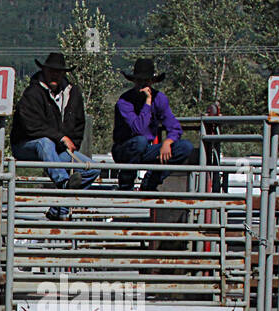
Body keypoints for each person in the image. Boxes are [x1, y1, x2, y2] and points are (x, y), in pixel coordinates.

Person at [10, 52, 101, 221]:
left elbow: (79, 124)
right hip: (26, 146)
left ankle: (59, 206)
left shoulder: (72, 94)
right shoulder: (32, 93)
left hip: (58, 149)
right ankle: (63, 183)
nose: (55, 74)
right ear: (44, 71)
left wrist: (73, 145)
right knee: (44, 143)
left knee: (93, 169)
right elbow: (31, 126)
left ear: (64, 73)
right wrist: (60, 138)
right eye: (52, 70)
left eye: (59, 71)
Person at [112, 58, 196, 192]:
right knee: (140, 141)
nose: (143, 85)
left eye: (146, 81)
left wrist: (168, 142)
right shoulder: (124, 101)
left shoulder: (160, 99)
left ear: (152, 82)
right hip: (125, 149)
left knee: (185, 147)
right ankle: (125, 186)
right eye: (139, 81)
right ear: (134, 81)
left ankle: (150, 182)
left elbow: (174, 126)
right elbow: (138, 128)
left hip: (146, 149)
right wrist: (148, 102)